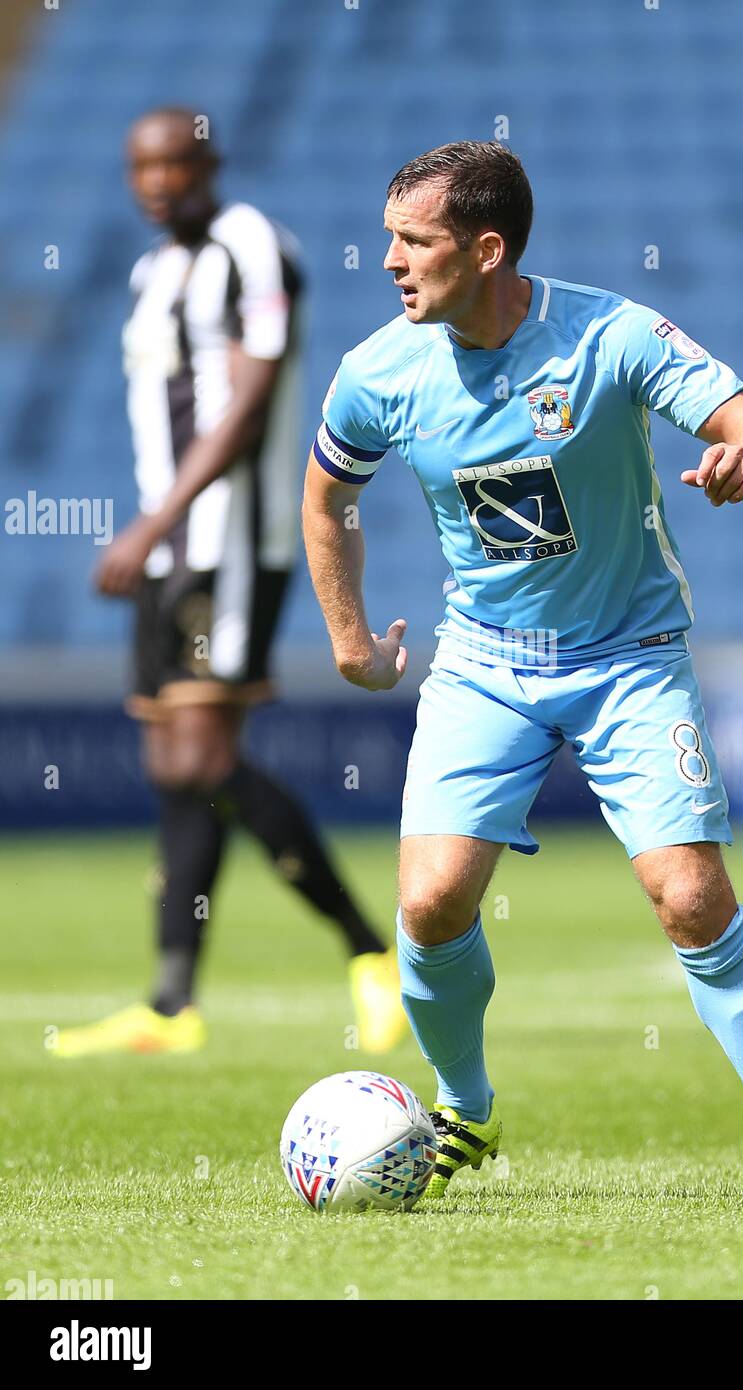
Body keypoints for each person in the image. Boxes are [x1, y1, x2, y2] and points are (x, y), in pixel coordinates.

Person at [302, 140, 743, 1202]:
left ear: (487, 247)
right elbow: (326, 501)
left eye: (413, 242)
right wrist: (351, 639)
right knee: (429, 906)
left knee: (690, 897)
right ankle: (465, 1105)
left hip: (628, 657)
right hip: (483, 667)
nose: (388, 263)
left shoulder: (611, 335)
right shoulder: (379, 371)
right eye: (389, 240)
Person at [53, 107, 405, 1058]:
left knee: (206, 758)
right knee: (174, 768)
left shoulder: (253, 245)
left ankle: (374, 955)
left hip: (230, 543)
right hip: (172, 554)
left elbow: (251, 401)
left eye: (172, 163)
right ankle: (173, 1004)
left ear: (208, 161)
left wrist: (157, 522)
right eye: (140, 168)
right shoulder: (151, 273)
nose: (155, 182)